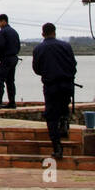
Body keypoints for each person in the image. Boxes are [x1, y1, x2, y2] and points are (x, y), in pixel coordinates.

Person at [31, 22, 77, 159]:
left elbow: (36, 69)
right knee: (63, 108)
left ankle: (57, 147)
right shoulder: (66, 46)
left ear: (42, 33)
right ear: (55, 32)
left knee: (51, 116)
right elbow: (73, 65)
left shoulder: (39, 49)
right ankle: (63, 123)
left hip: (51, 85)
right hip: (66, 84)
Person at [0, 14, 21, 108]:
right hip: (14, 58)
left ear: (3, 21)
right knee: (10, 81)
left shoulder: (2, 32)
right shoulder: (14, 32)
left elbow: (0, 46)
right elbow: (18, 46)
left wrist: (0, 57)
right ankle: (12, 102)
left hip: (6, 58)